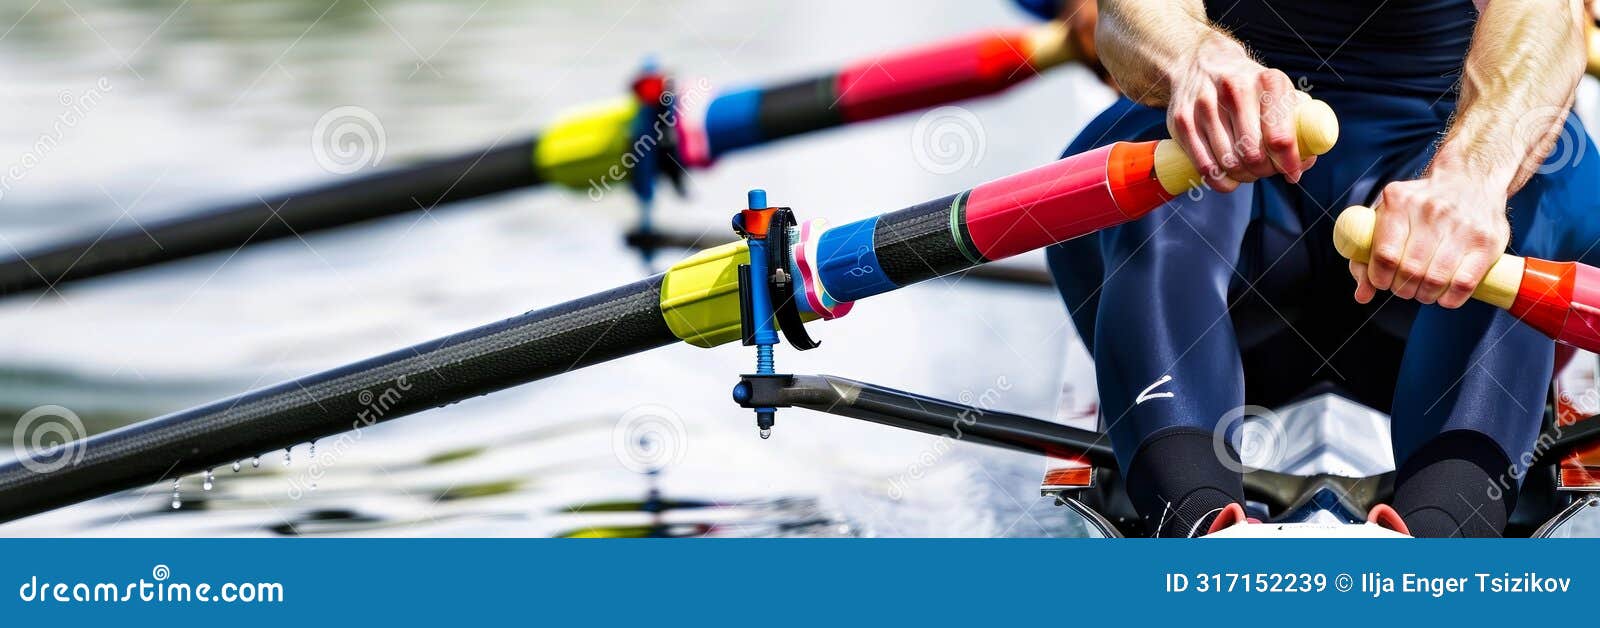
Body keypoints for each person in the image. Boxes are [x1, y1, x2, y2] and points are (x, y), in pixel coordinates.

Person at [1047, 1, 1595, 536]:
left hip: (1431, 178)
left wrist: (1474, 176)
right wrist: (1193, 59)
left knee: (1512, 204)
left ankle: (1438, 538)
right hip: (1241, 188)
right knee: (1161, 194)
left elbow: (1544, 13)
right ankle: (1202, 522)